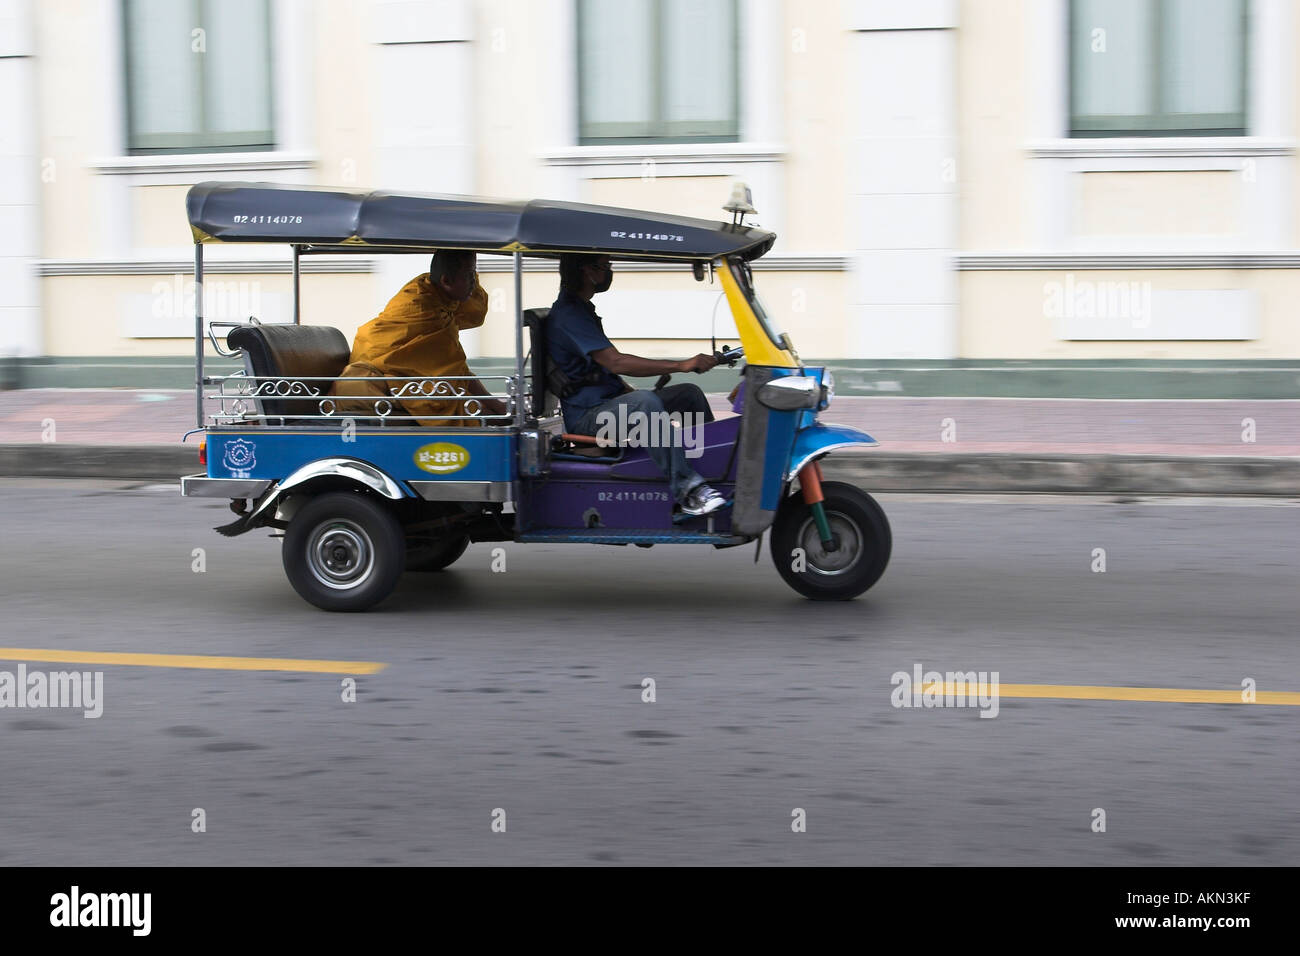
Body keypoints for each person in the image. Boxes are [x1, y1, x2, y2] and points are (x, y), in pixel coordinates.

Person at [546, 252, 726, 516]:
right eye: (606, 266)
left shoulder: (582, 309)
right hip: (588, 418)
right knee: (644, 403)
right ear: (588, 271)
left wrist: (626, 390)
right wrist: (681, 364)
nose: (609, 272)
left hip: (606, 405)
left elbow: (598, 369)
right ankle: (688, 491)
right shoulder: (569, 315)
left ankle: (709, 474)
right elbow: (615, 362)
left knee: (688, 395)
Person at [329, 250, 507, 426]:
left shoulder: (440, 299)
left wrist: (497, 405)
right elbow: (451, 370)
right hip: (384, 374)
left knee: (463, 398)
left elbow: (456, 370)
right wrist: (497, 410)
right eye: (469, 275)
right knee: (457, 405)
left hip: (403, 373)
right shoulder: (423, 308)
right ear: (446, 281)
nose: (474, 282)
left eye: (474, 274)